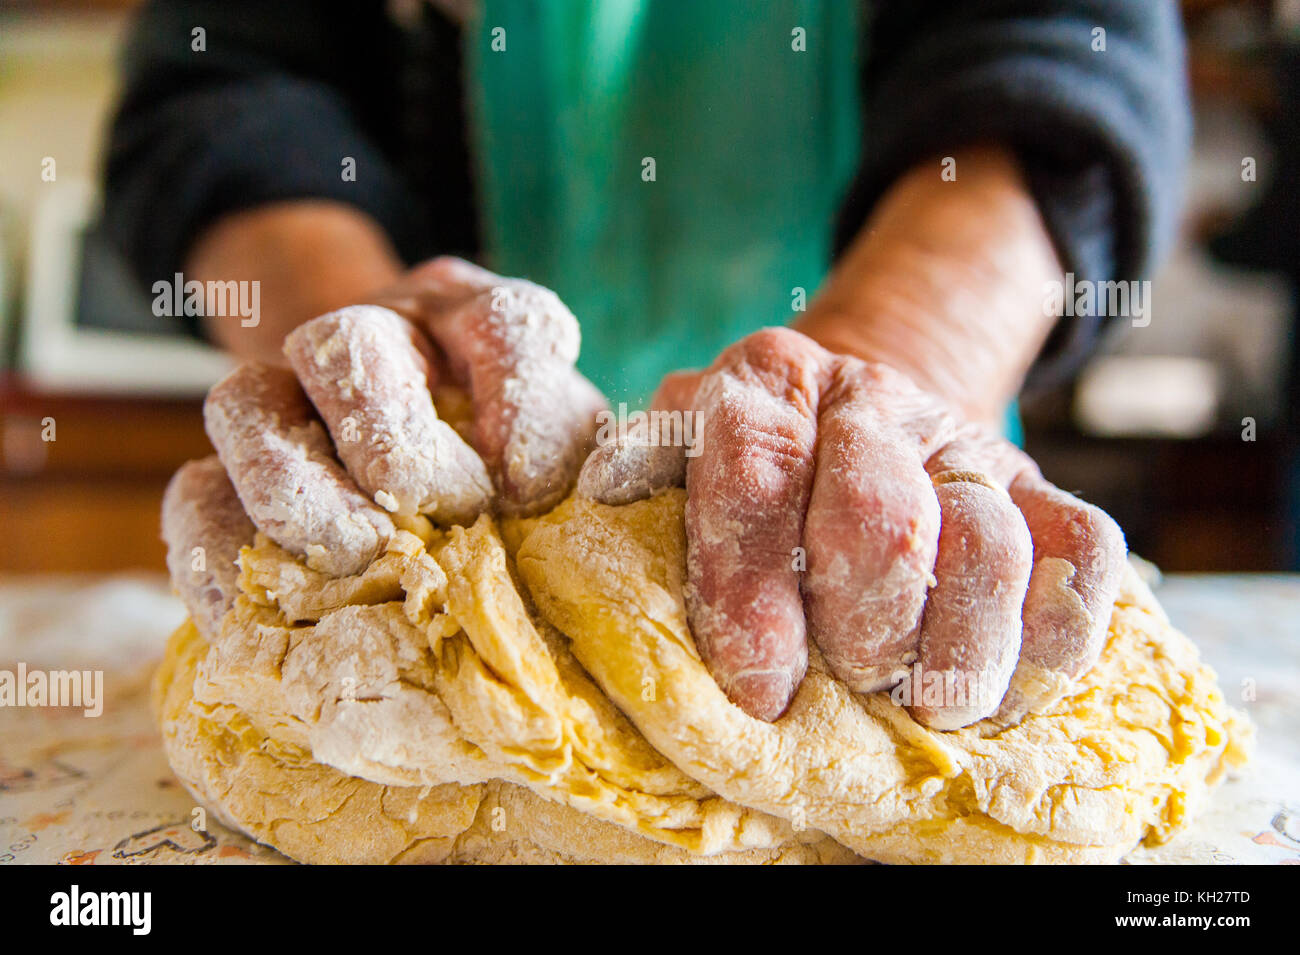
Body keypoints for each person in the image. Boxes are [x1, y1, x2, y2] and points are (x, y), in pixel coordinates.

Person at [106, 1, 1189, 725]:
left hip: (906, 535)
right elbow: (229, 80)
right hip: (448, 493)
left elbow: (1058, 45)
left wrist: (870, 381)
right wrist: (375, 374)